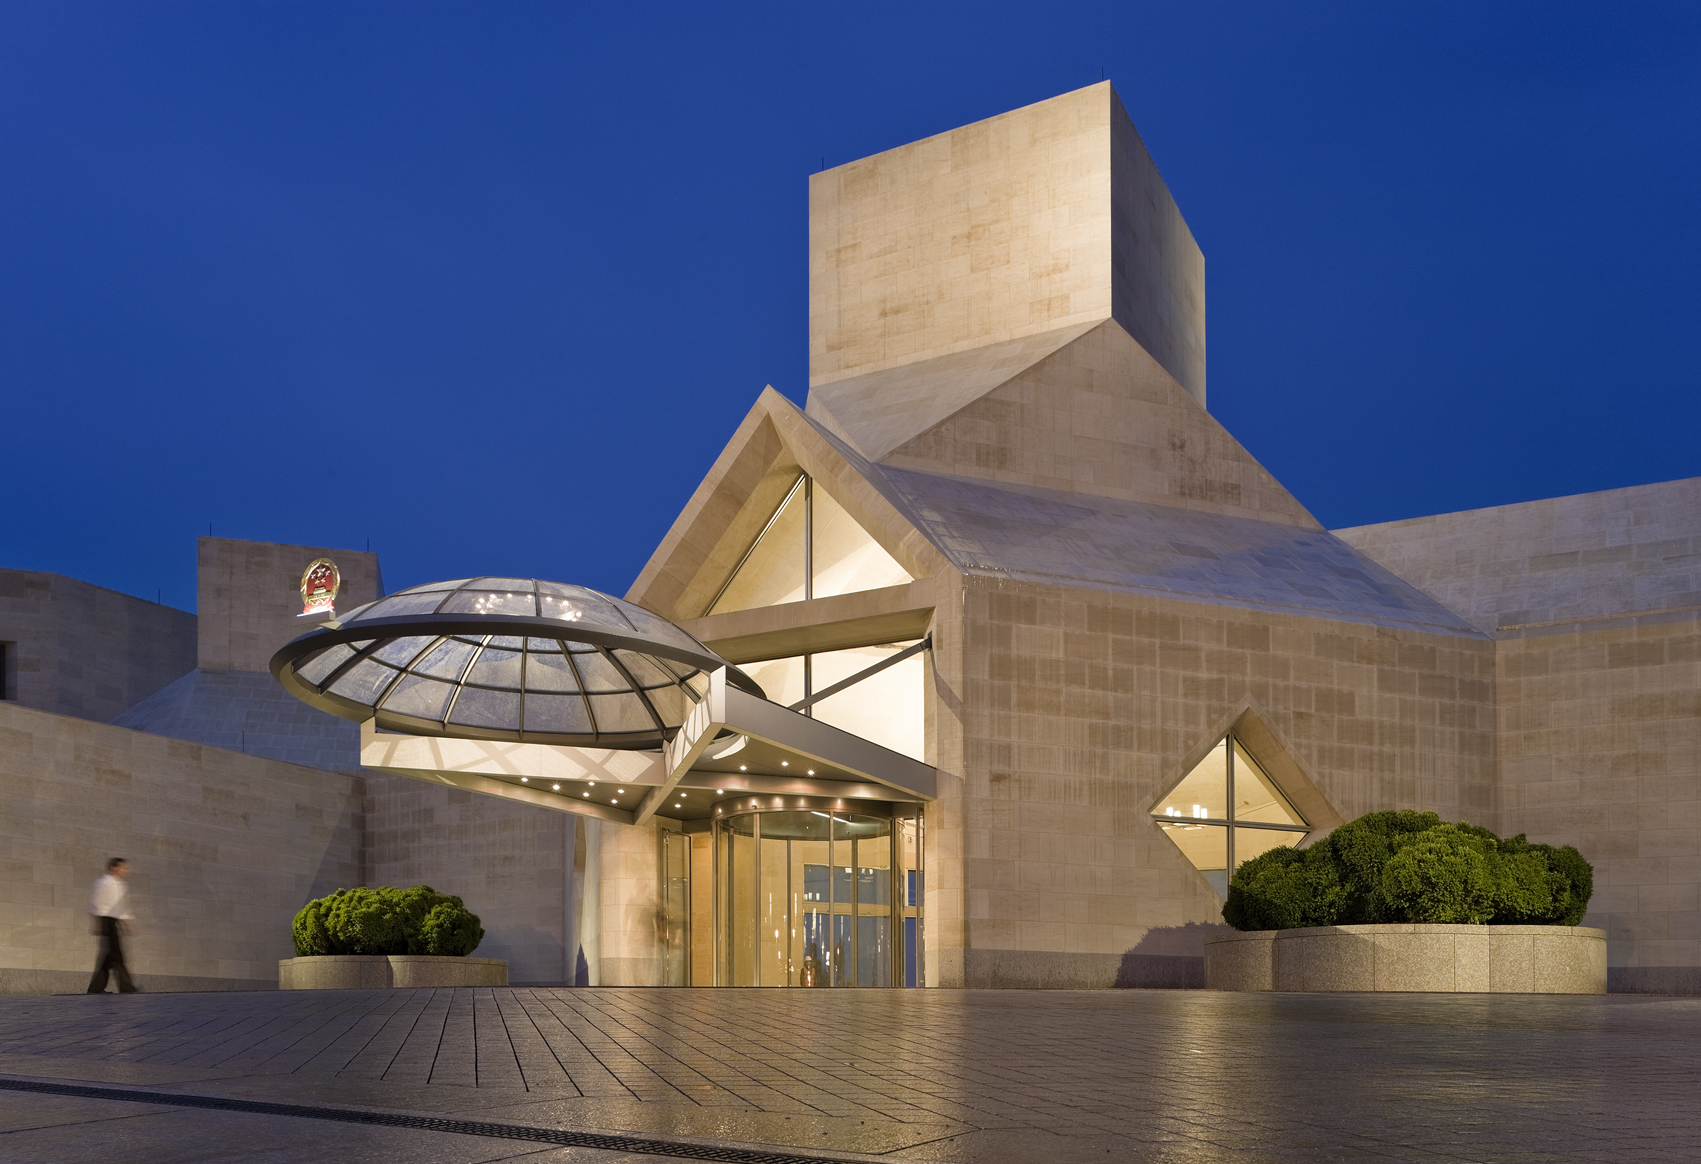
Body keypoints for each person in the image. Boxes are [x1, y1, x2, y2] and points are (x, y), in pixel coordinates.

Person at [87, 858, 138, 994]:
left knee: (110, 956)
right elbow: (96, 903)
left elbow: (121, 908)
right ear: (114, 868)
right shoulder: (103, 882)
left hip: (114, 921)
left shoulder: (120, 885)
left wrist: (126, 924)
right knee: (116, 955)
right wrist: (98, 923)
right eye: (123, 868)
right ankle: (126, 986)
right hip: (106, 920)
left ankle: (96, 988)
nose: (125, 871)